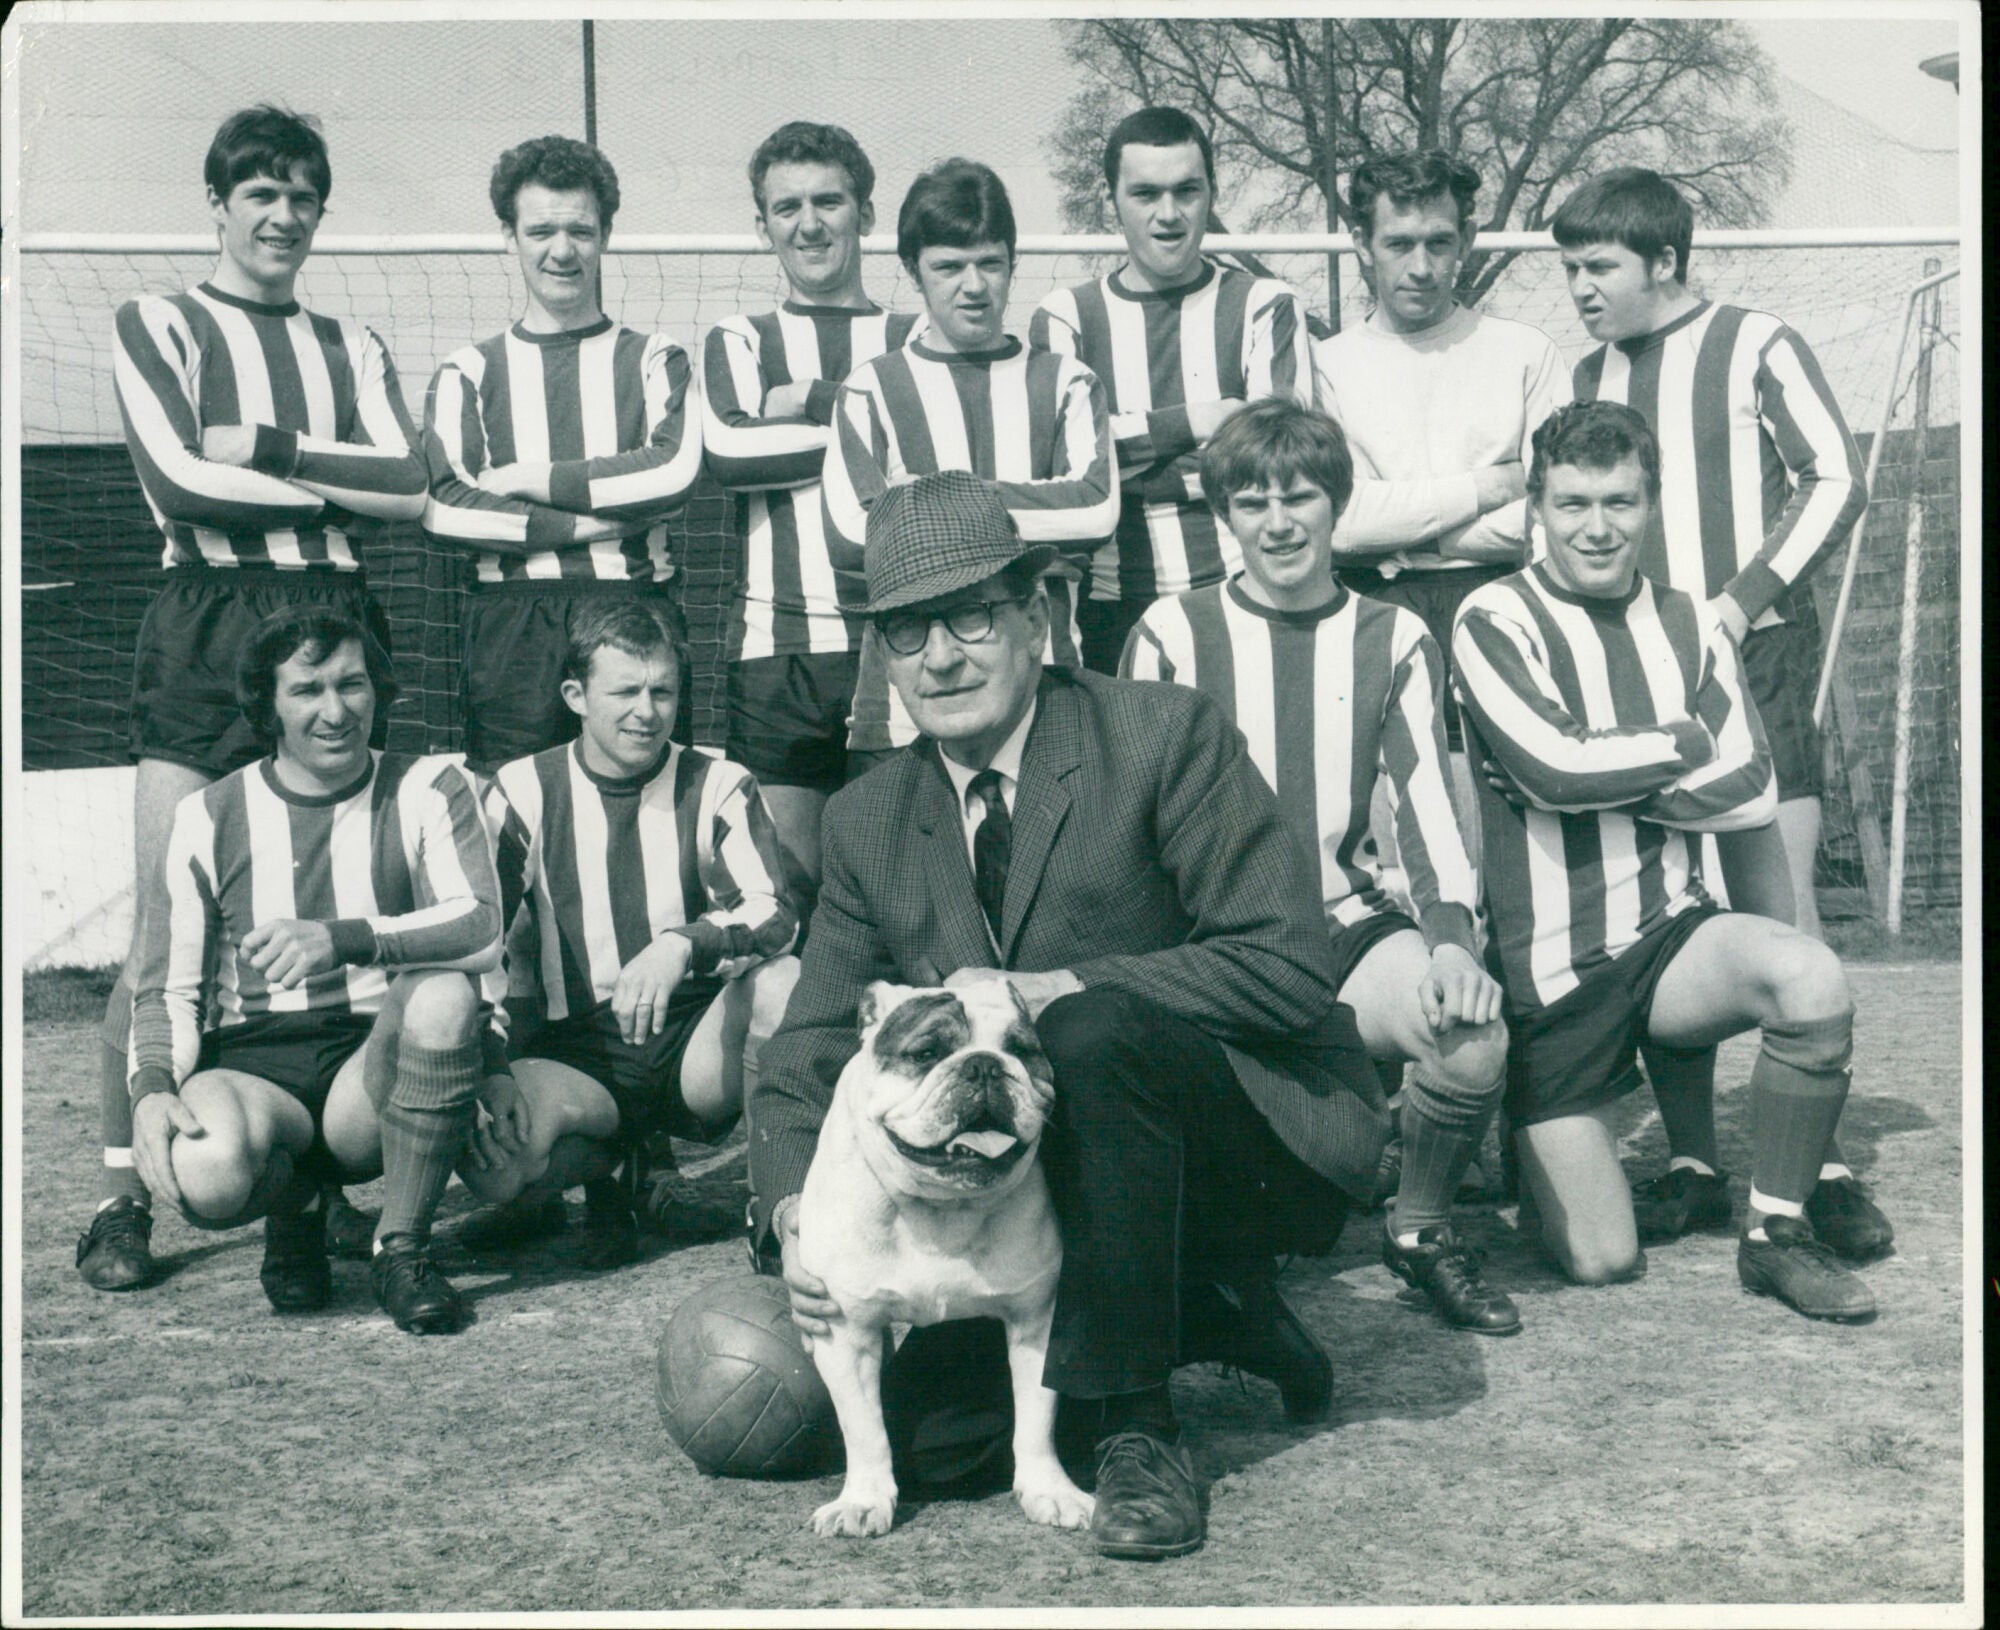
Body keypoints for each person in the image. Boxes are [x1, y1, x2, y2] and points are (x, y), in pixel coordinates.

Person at [755, 471, 1387, 1560]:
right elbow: (812, 1039)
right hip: (1036, 1186)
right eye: (907, 633)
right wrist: (788, 1220)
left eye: (970, 616)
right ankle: (1211, 1315)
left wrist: (1066, 989)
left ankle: (1140, 1422)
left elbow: (1289, 962)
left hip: (1238, 1144)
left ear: (1036, 618)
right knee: (943, 1451)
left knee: (1092, 1034)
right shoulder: (866, 817)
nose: (940, 657)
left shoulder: (1160, 734)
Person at [81, 105, 427, 1294]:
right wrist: (330, 482)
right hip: (206, 622)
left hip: (333, 618)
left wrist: (272, 444)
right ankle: (123, 1193)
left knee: (340, 906)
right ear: (219, 204)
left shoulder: (353, 347)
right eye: (260, 195)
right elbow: (177, 477)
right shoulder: (158, 321)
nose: (282, 218)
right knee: (163, 935)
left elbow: (411, 486)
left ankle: (313, 1192)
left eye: (302, 198)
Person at [1452, 401, 1887, 1322]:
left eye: (1620, 501)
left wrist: (1591, 763)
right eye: (1572, 503)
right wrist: (1677, 744)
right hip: (1551, 980)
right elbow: (1547, 766)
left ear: (1651, 504)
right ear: (1537, 504)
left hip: (1668, 944)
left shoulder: (1690, 620)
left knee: (1810, 976)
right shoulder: (1492, 615)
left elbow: (1753, 788)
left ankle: (1776, 1233)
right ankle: (1539, 1159)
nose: (1597, 527)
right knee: (1603, 1260)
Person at [1552, 168, 1888, 1257]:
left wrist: (1739, 603)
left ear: (1663, 261)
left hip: (1754, 655)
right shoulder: (1586, 371)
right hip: (1633, 668)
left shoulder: (1756, 340)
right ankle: (1693, 1160)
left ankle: (1821, 1166)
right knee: (1664, 917)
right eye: (1567, 268)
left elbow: (1834, 477)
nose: (1578, 288)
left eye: (1596, 266)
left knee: (1777, 911)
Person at [1122, 401, 1516, 1333]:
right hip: (1208, 936)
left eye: (1300, 497)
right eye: (1253, 502)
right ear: (1225, 515)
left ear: (1336, 506)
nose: (1279, 521)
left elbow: (1425, 802)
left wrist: (1454, 943)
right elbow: (1128, 812)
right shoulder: (1171, 631)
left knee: (1469, 1038)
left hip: (1340, 919)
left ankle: (1418, 1229)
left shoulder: (1392, 636)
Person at [125, 608, 519, 1334]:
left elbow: (480, 926)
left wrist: (340, 939)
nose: (336, 711)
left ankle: (401, 1249)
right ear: (268, 706)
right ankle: (297, 1205)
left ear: (379, 692)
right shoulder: (207, 814)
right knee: (206, 1173)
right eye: (307, 690)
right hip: (253, 1066)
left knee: (441, 993)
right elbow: (166, 990)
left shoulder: (430, 785)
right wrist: (150, 1090)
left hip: (369, 1068)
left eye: (353, 685)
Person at [460, 602, 802, 1267]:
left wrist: (682, 944)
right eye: (625, 692)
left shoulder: (719, 781)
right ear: (576, 696)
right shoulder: (522, 789)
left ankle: (775, 1211)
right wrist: (494, 1062)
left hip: (692, 1041)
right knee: (494, 1169)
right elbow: (477, 936)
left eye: (662, 691)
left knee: (783, 982)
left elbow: (776, 915)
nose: (647, 711)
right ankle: (614, 1167)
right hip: (581, 1049)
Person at [421, 135, 702, 779]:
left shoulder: (656, 356)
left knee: (645, 811)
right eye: (541, 230)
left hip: (632, 606)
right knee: (516, 817)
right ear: (508, 236)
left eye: (580, 229)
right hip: (512, 623)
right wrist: (586, 524)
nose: (562, 250)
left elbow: (671, 473)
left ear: (605, 235)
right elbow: (446, 506)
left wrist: (527, 480)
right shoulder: (469, 370)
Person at [822, 158, 1117, 768]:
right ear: (913, 272)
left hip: (1049, 685)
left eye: (990, 262)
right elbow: (853, 540)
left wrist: (918, 501)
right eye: (949, 267)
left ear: (1014, 262)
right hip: (905, 711)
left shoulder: (1066, 380)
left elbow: (1094, 511)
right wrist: (1030, 531)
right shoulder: (870, 389)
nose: (974, 286)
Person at [1313, 150, 1570, 823]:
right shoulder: (1328, 365)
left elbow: (1549, 518)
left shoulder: (1524, 351)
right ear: (1360, 246)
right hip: (1373, 600)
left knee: (1502, 806)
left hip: (1500, 598)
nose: (1421, 267)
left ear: (1468, 242)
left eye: (1439, 243)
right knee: (1389, 809)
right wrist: (1496, 482)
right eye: (1398, 244)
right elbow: (1339, 526)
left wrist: (1400, 524)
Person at [702, 123, 919, 898]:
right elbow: (731, 453)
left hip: (899, 637)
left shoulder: (914, 332)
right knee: (785, 889)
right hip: (777, 650)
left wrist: (810, 402)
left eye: (829, 200)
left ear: (865, 212)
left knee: (905, 887)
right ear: (762, 226)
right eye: (786, 206)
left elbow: (932, 454)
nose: (810, 223)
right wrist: (875, 420)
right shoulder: (740, 338)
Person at [1030, 106, 1317, 674]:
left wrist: (1120, 456)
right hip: (1110, 604)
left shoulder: (1266, 303)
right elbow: (1071, 474)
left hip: (1243, 588)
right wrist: (1203, 420)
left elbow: (1273, 458)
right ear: (1113, 200)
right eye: (1145, 194)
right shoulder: (1066, 315)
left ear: (1211, 193)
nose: (1168, 215)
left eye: (1186, 191)